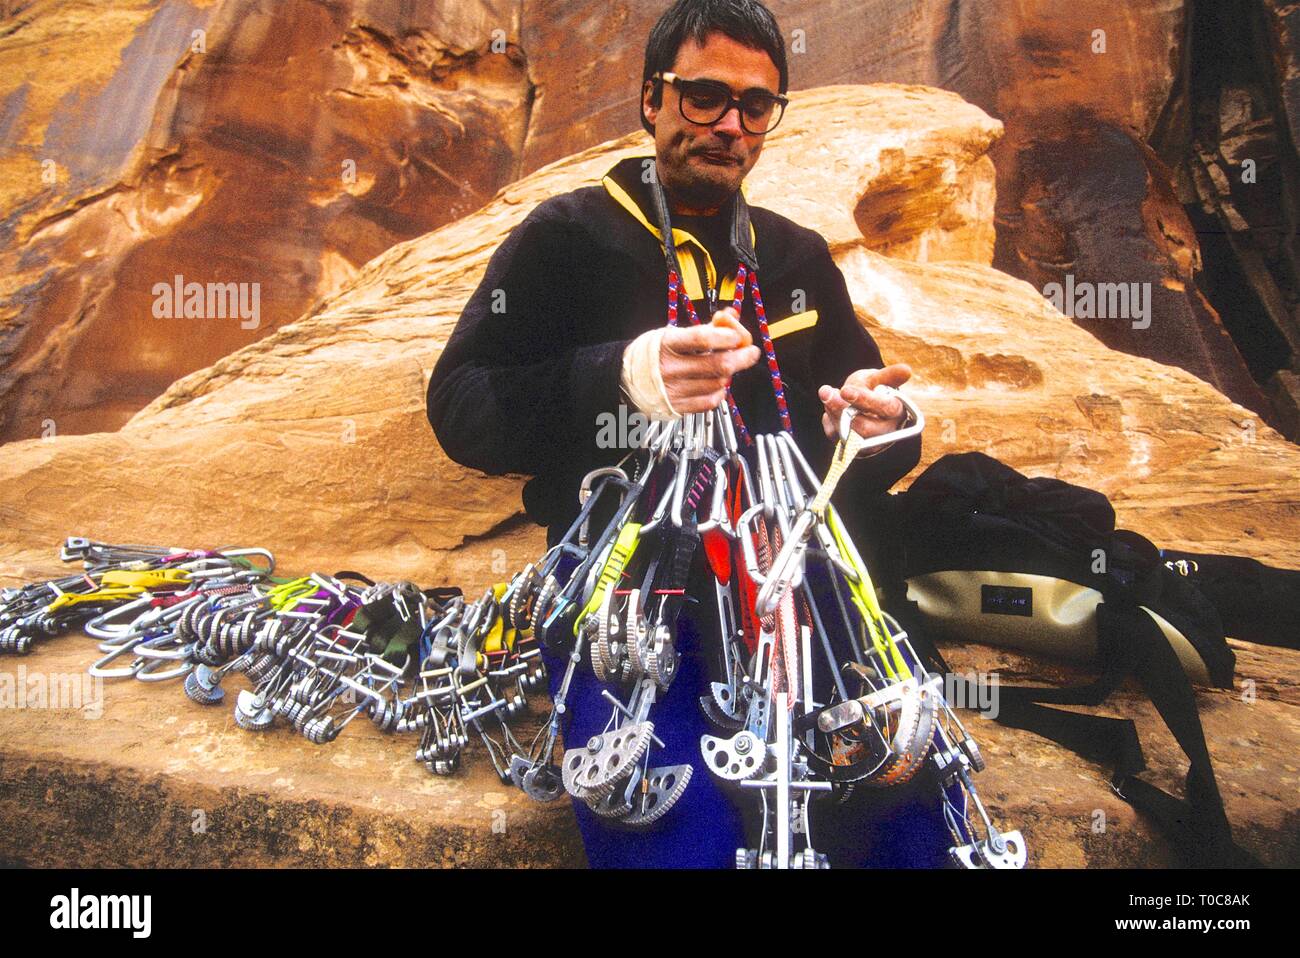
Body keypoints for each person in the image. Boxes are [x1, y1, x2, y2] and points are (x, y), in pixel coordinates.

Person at [428, 0, 944, 867]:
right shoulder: (565, 240)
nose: (731, 126)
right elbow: (462, 405)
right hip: (624, 599)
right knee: (670, 836)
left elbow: (878, 457)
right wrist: (623, 378)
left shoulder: (795, 259)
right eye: (704, 96)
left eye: (755, 106)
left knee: (904, 833)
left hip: (799, 598)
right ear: (650, 99)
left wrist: (870, 426)